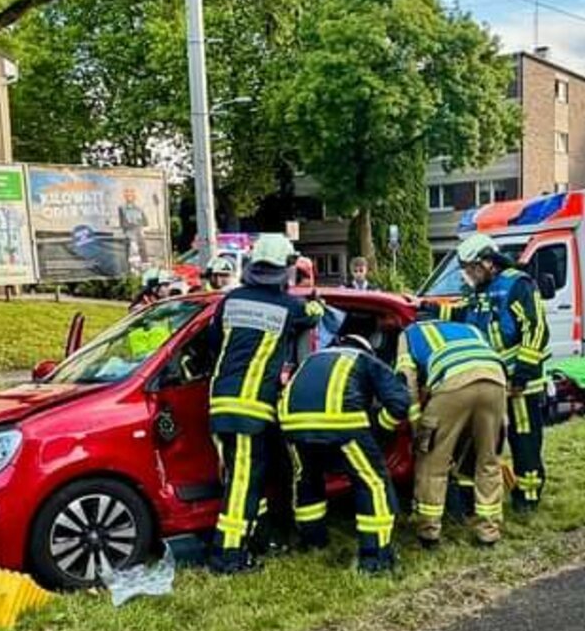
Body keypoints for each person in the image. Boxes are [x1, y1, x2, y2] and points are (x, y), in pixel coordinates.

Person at [207, 234, 322, 574]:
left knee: (245, 477)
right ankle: (227, 556)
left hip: (220, 402)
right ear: (286, 268)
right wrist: (314, 299)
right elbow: (314, 315)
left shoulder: (230, 301)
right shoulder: (290, 307)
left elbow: (214, 343)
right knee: (243, 483)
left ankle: (256, 539)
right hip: (250, 408)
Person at [279, 331, 412, 574]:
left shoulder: (311, 359)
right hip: (341, 423)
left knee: (307, 480)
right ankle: (375, 557)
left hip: (292, 425)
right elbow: (400, 402)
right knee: (372, 483)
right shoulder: (364, 359)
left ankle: (312, 542)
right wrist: (381, 428)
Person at [457, 232, 553, 510]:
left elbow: (536, 329)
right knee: (481, 438)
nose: (469, 275)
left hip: (521, 383)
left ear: (488, 262)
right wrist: (425, 308)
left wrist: (523, 372)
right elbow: (462, 316)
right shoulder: (479, 291)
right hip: (491, 380)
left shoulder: (518, 284)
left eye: (472, 268)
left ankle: (528, 496)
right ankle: (470, 497)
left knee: (524, 440)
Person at [396, 316, 508, 547]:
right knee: (488, 460)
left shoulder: (409, 334)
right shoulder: (468, 327)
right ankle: (488, 532)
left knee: (433, 461)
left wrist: (417, 426)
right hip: (495, 380)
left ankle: (429, 532)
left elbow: (406, 380)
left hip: (451, 383)